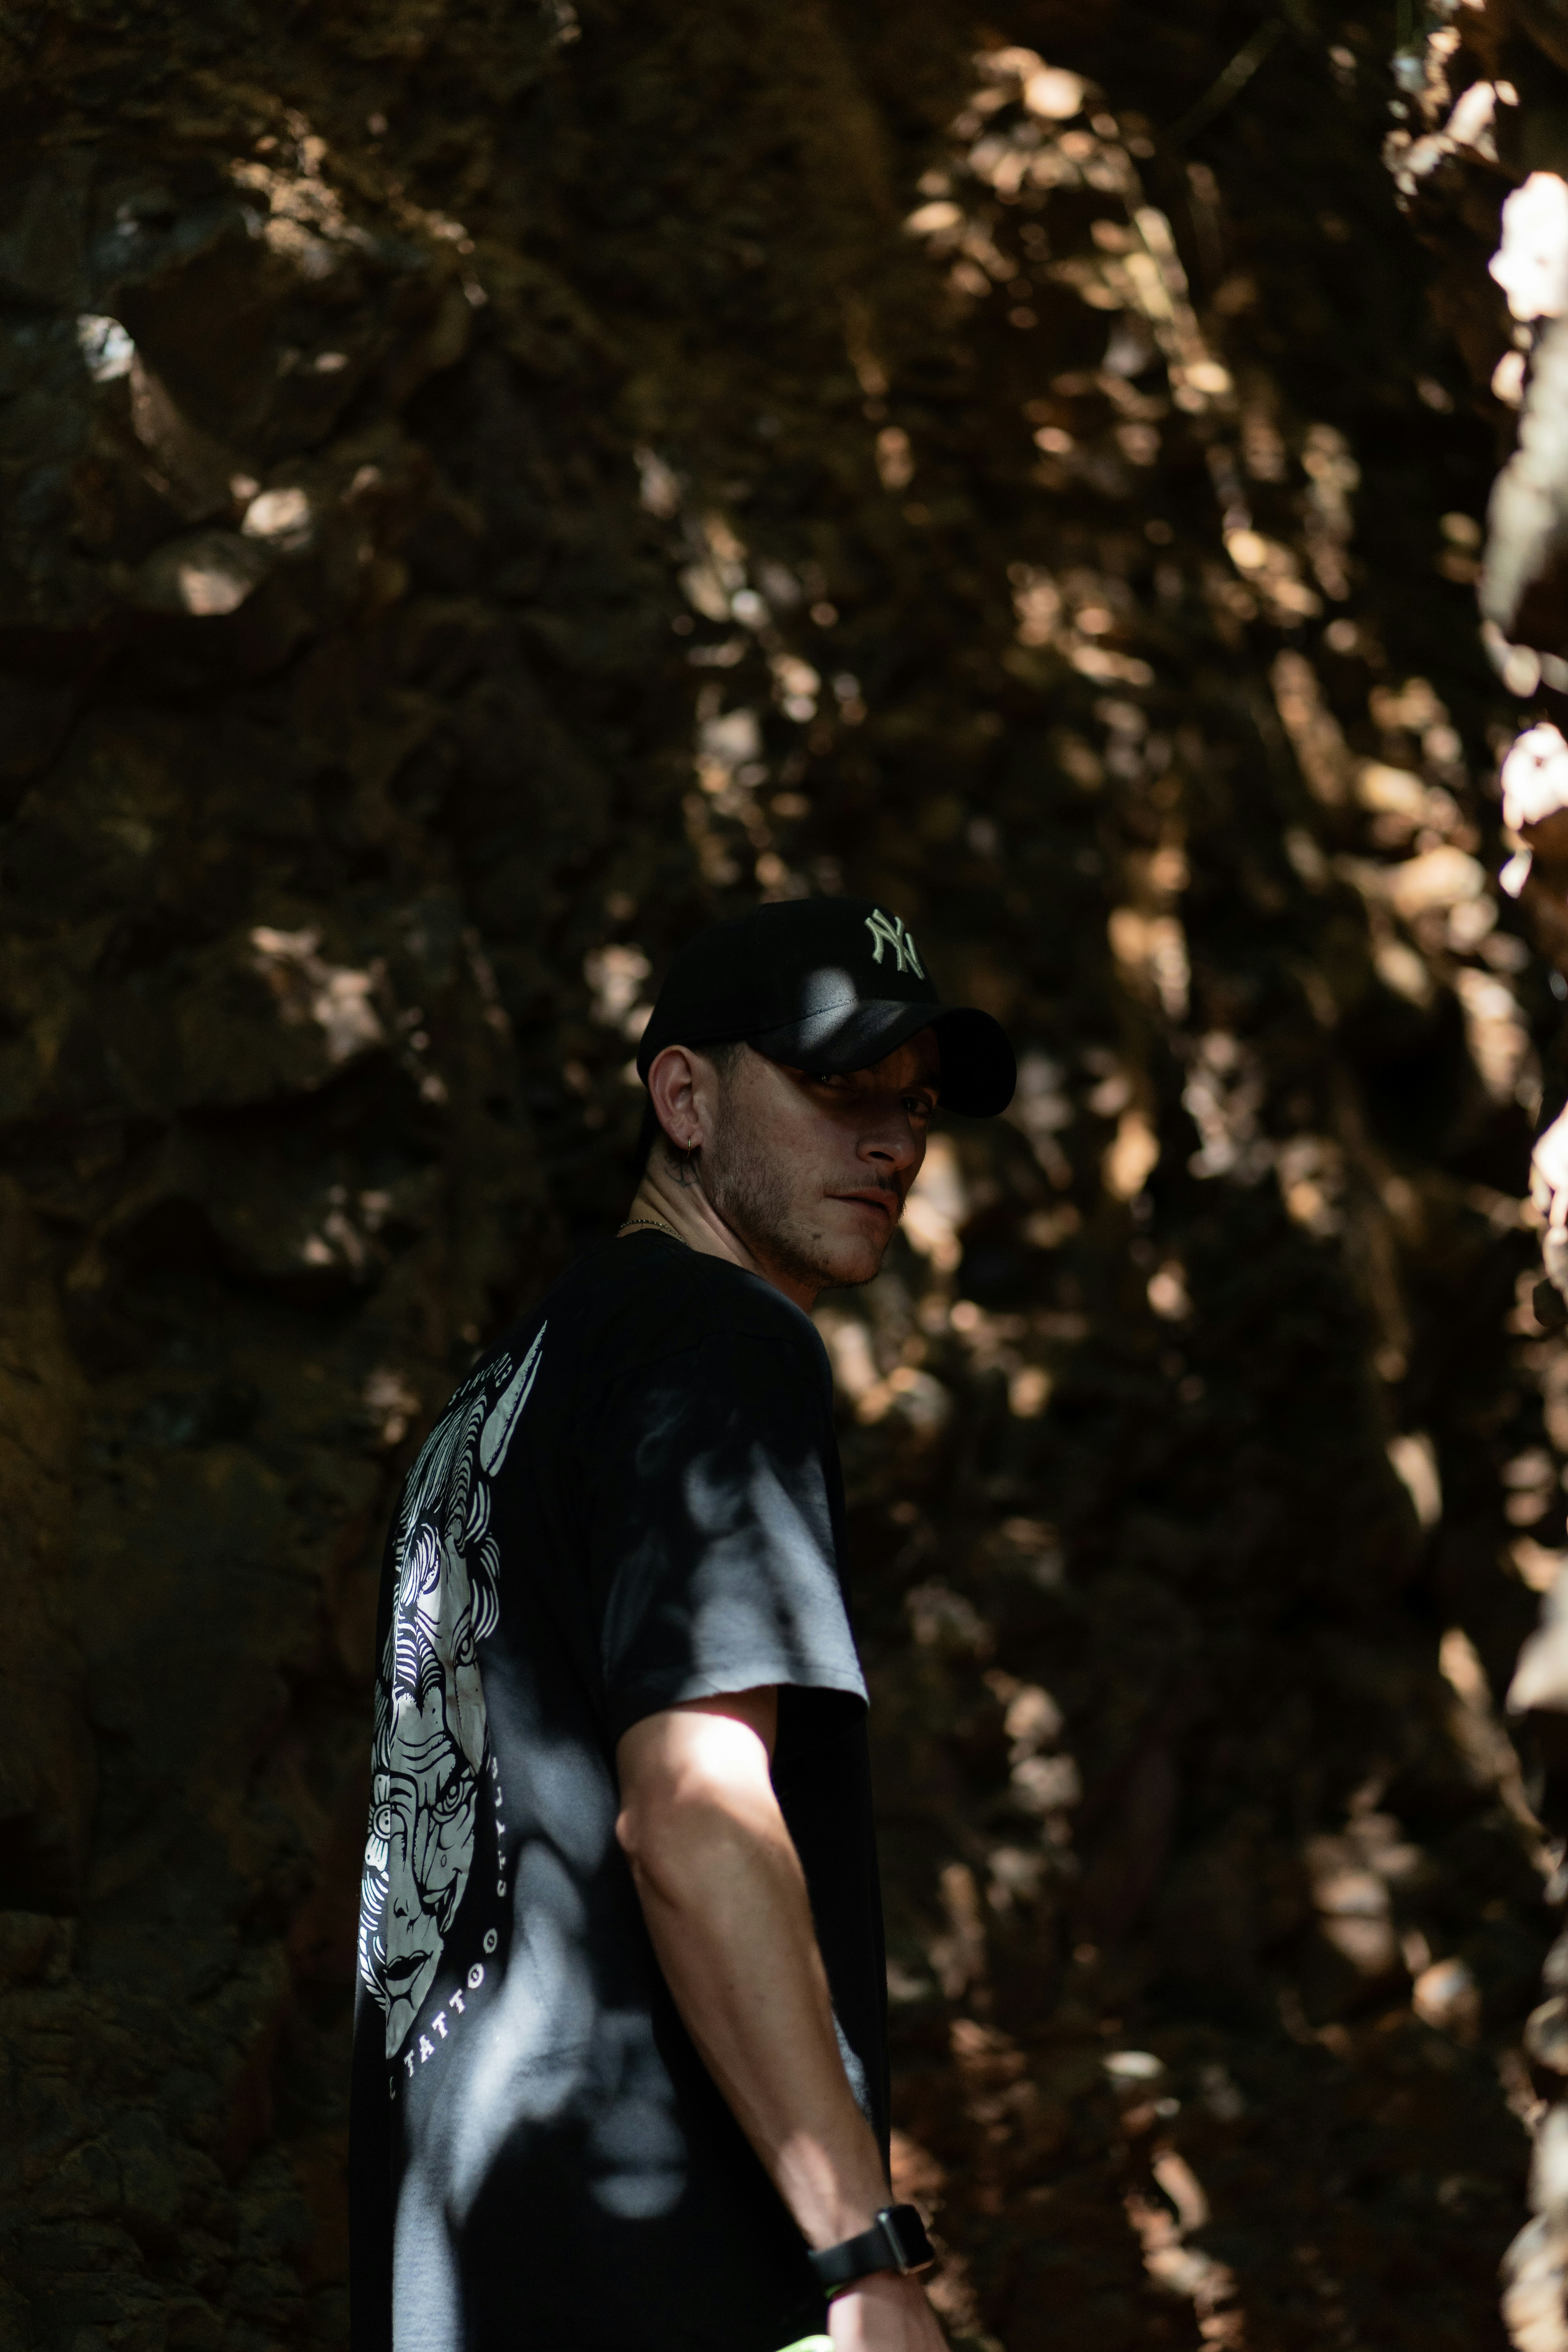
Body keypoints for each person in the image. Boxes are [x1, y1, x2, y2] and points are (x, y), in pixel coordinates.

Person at [349, 895, 1016, 2352]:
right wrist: (862, 2252)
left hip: (458, 2279)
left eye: (914, 1109)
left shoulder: (498, 1397)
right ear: (686, 1097)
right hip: (658, 2269)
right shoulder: (719, 1342)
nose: (894, 1144)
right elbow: (695, 1812)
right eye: (843, 1091)